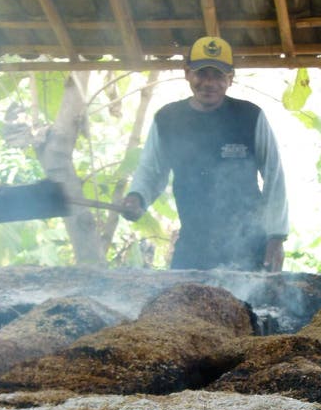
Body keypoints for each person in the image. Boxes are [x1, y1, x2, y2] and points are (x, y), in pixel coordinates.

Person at [121, 36, 289, 272]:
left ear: (230, 78)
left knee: (252, 309)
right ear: (187, 73)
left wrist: (276, 237)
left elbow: (274, 175)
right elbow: (151, 171)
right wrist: (137, 197)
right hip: (193, 246)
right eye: (201, 73)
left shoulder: (251, 117)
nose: (209, 83)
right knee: (180, 308)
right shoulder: (168, 119)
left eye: (218, 75)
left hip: (249, 247)